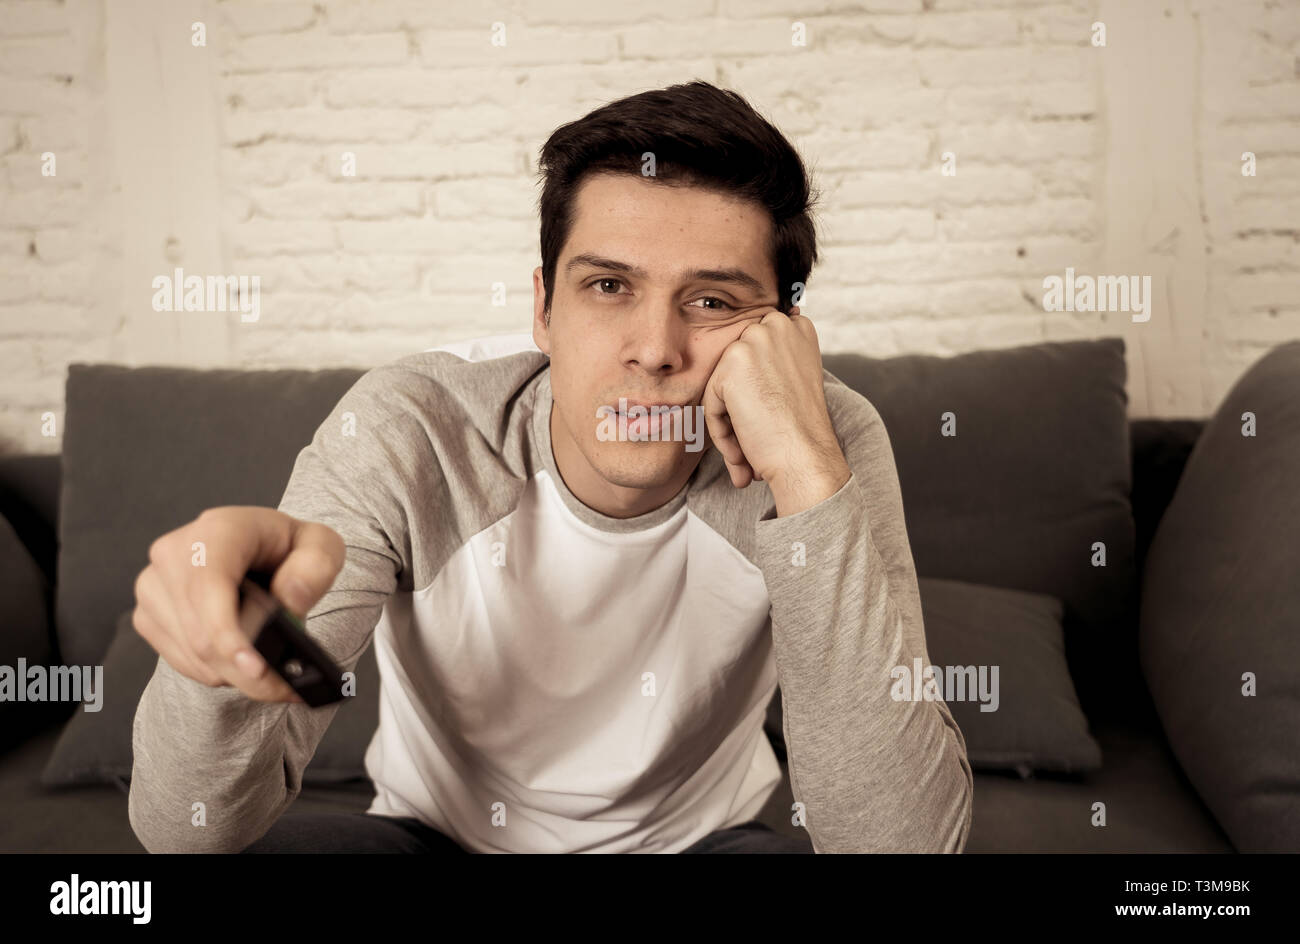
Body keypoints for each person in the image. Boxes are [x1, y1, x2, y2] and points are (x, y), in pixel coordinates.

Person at [127, 80, 973, 854]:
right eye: (609, 287)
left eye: (713, 301)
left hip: (706, 844)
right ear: (542, 306)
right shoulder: (412, 428)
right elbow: (185, 836)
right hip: (434, 838)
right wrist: (215, 660)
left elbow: (899, 846)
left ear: (785, 334)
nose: (654, 350)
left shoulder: (824, 440)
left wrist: (807, 471)